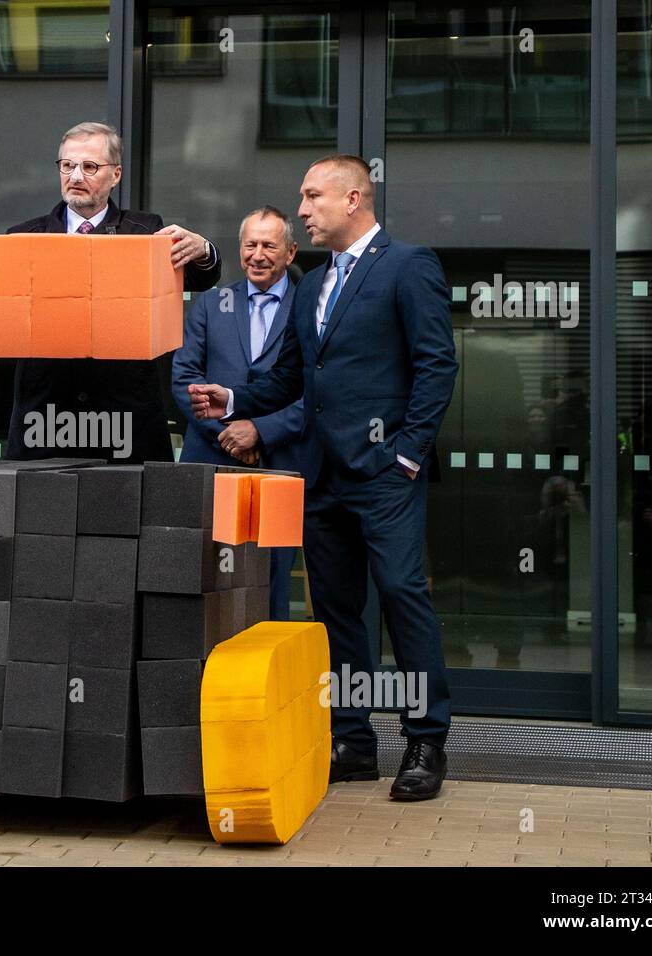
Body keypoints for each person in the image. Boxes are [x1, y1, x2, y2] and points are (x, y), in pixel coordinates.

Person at [189, 154, 458, 801]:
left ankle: (426, 739)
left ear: (354, 198)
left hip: (385, 474)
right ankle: (352, 741)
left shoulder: (407, 265)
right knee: (337, 611)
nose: (302, 211)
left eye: (312, 198)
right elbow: (290, 378)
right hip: (321, 477)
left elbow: (437, 364)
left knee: (400, 595)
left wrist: (408, 455)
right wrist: (231, 400)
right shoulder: (311, 286)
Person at [5, 121, 222, 464]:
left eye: (89, 166)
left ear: (116, 174)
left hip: (124, 414)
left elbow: (199, 277)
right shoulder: (22, 236)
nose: (76, 176)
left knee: (125, 512)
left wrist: (204, 249)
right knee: (45, 514)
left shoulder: (145, 230)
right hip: (48, 414)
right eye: (67, 166)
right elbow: (5, 319)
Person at [173, 205, 302, 620]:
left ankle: (267, 680)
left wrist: (260, 431)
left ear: (291, 253)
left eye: (269, 245)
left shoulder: (310, 307)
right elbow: (184, 380)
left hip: (279, 461)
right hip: (209, 461)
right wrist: (229, 434)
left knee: (272, 582)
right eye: (250, 244)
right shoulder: (212, 303)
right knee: (201, 577)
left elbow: (319, 391)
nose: (258, 254)